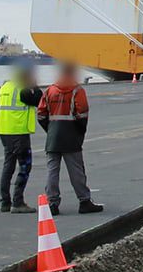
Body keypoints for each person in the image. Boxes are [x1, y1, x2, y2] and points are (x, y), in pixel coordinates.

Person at [37, 64, 103, 214]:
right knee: (76, 171)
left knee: (52, 171)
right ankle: (84, 201)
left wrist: (50, 129)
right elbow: (82, 113)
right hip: (71, 136)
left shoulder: (50, 90)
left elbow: (41, 114)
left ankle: (52, 204)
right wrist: (80, 132)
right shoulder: (77, 90)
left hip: (53, 137)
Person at [0, 62, 42, 214]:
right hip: (19, 132)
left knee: (8, 166)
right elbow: (39, 99)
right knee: (24, 166)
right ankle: (18, 201)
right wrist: (34, 86)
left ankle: (5, 202)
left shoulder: (5, 87)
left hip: (4, 130)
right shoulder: (23, 90)